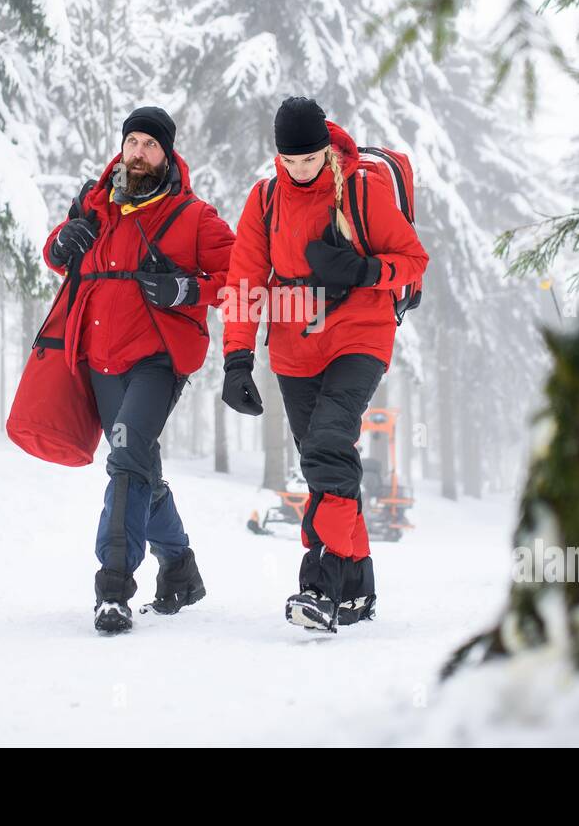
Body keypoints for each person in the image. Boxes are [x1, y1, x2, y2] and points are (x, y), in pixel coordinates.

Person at [219, 97, 428, 632]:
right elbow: (243, 281)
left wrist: (362, 270)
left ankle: (320, 584)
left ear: (326, 148)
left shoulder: (362, 188)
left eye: (309, 159)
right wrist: (237, 359)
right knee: (324, 466)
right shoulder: (265, 199)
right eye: (288, 160)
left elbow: (412, 261)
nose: (299, 169)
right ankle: (360, 589)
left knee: (328, 445)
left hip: (360, 334)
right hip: (293, 347)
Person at [43, 106, 235, 634]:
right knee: (141, 469)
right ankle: (180, 569)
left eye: (151, 145)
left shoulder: (194, 217)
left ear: (167, 154)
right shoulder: (96, 202)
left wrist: (187, 288)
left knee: (126, 460)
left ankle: (113, 588)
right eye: (133, 143)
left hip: (158, 361)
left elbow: (238, 274)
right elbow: (60, 257)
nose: (139, 153)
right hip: (100, 359)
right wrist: (61, 244)